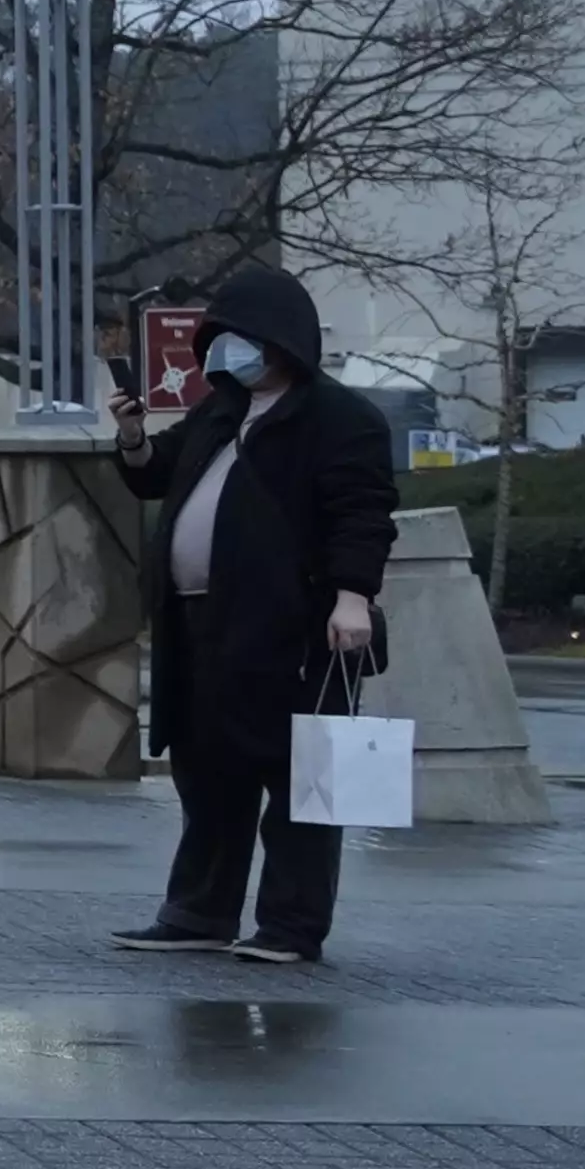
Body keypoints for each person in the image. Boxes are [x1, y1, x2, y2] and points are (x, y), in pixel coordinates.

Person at [111, 264, 400, 967]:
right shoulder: (217, 413)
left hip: (293, 628)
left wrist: (351, 596)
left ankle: (289, 926)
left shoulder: (337, 419)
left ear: (280, 343)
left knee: (301, 779)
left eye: (240, 338)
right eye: (218, 339)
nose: (224, 352)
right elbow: (154, 475)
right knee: (206, 774)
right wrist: (131, 438)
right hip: (199, 626)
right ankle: (197, 913)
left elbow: (360, 515)